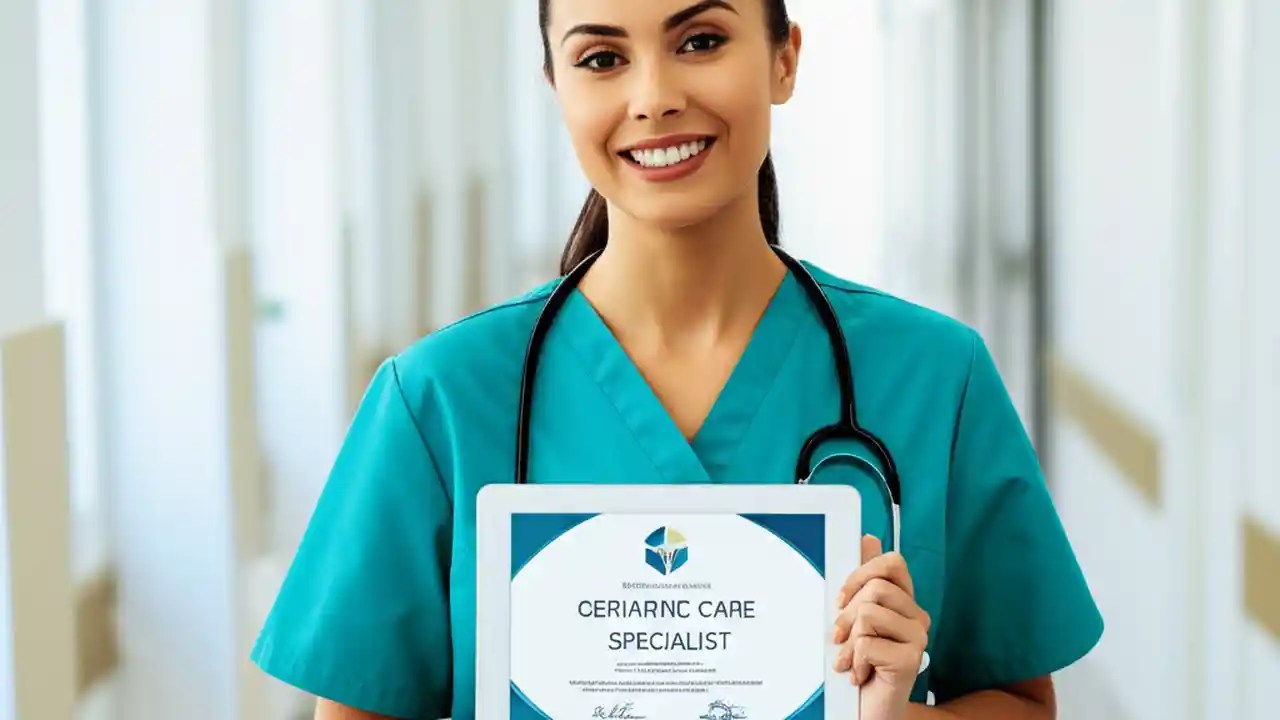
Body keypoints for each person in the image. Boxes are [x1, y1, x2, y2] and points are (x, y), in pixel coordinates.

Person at [249, 0, 1104, 718]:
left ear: (784, 59)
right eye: (601, 58)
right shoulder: (438, 400)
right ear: (556, 86)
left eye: (700, 41)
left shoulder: (933, 377)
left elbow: (1022, 702)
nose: (654, 97)